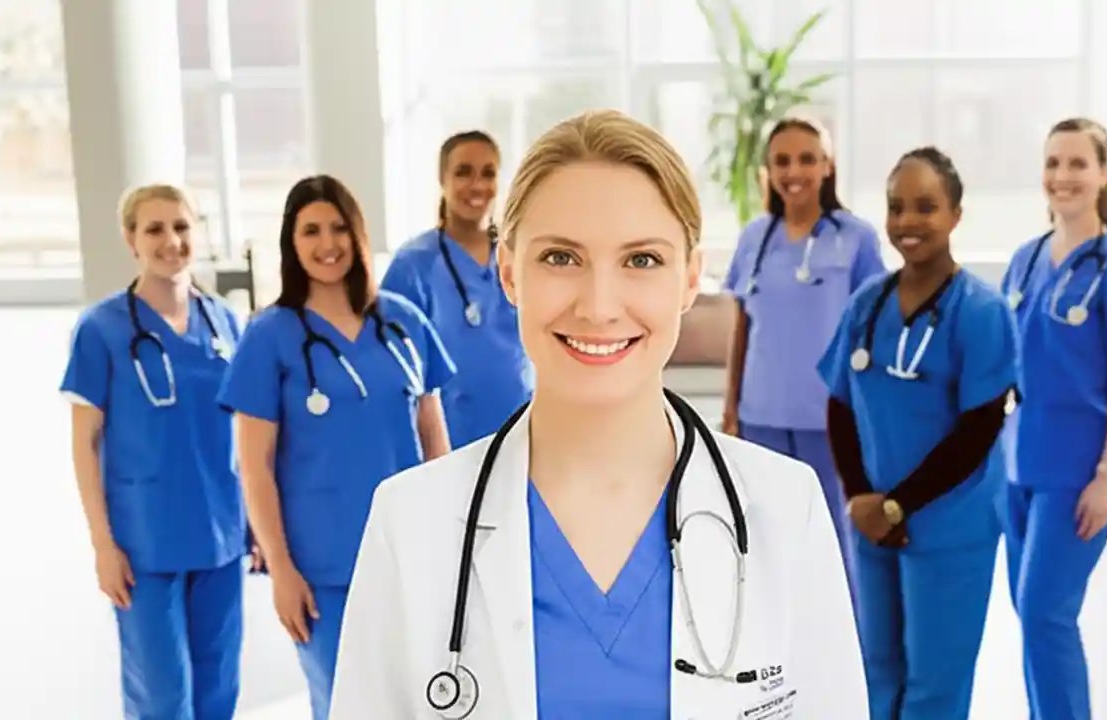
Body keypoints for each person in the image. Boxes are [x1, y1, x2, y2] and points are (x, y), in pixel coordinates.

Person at [327, 109, 868, 719]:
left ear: (690, 278)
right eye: (561, 258)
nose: (599, 306)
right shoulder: (412, 520)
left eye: (641, 260)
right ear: (509, 271)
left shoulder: (784, 507)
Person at [217, 175, 456, 720]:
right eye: (311, 231)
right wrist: (280, 569)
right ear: (291, 243)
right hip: (320, 563)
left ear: (357, 233)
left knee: (417, 702)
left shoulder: (403, 321)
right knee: (344, 703)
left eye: (339, 227)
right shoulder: (269, 335)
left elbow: (436, 444)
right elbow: (254, 467)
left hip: (406, 552)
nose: (328, 244)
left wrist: (446, 540)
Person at [817, 147, 1020, 719]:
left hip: (949, 524)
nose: (908, 222)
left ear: (956, 214)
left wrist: (898, 506)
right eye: (896, 207)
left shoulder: (980, 311)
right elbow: (839, 403)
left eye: (926, 207)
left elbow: (978, 428)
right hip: (872, 521)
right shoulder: (867, 305)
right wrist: (860, 497)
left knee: (935, 683)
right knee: (877, 671)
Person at [61, 184, 247, 719]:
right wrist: (103, 544)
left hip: (221, 535)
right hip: (145, 543)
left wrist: (253, 525)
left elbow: (249, 432)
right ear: (130, 239)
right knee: (163, 697)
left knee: (219, 693)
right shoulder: (102, 328)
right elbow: (84, 442)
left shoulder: (225, 323)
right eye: (155, 229)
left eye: (182, 227)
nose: (171, 241)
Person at [999, 118, 1107, 720]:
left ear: (1103, 173)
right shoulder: (1027, 257)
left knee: (1046, 612)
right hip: (1020, 461)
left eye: (1077, 164)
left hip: (1081, 467)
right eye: (1053, 163)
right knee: (1029, 613)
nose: (1063, 177)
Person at [722, 115, 885, 611]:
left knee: (833, 539)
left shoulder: (856, 238)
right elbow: (743, 328)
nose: (795, 172)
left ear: (828, 165)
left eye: (807, 159)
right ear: (767, 171)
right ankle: (776, 660)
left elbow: (872, 329)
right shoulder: (755, 238)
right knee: (768, 541)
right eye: (782, 161)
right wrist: (731, 411)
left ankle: (845, 658)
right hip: (762, 416)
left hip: (830, 419)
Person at [380, 129, 534, 447]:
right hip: (446, 442)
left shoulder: (521, 257)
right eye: (463, 172)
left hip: (522, 436)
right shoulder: (413, 265)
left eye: (488, 173)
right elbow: (390, 367)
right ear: (442, 178)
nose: (476, 185)